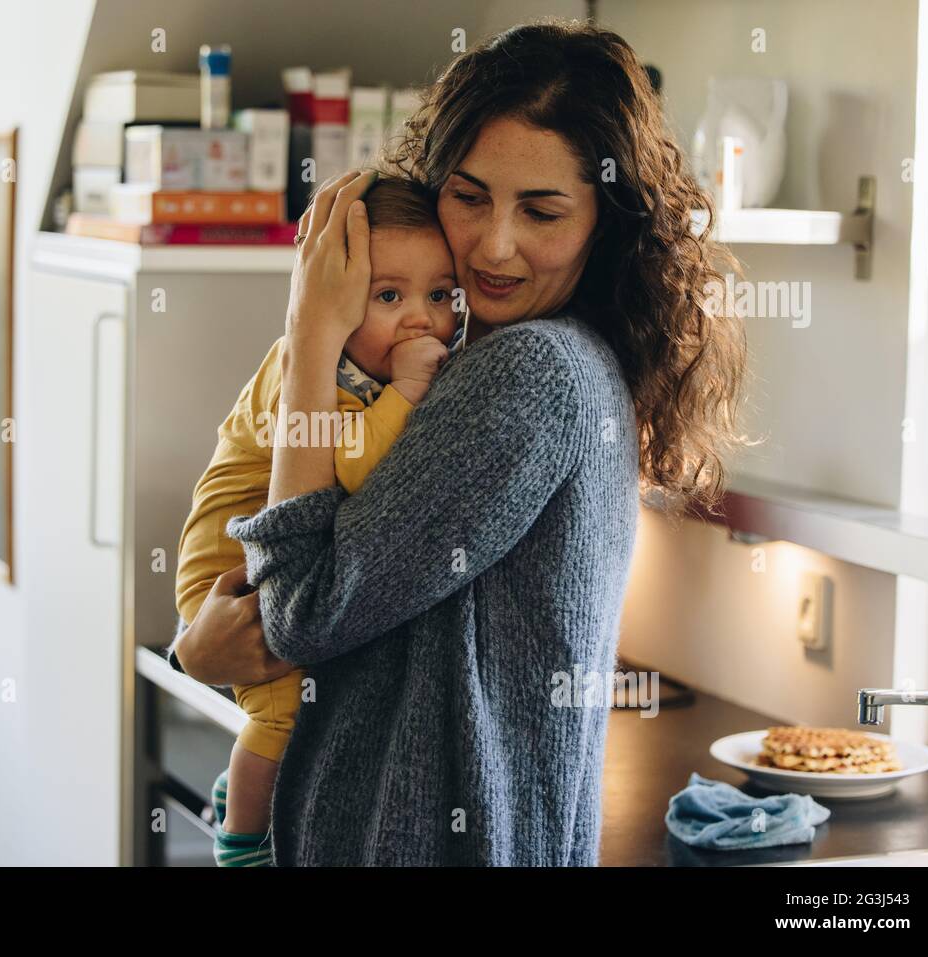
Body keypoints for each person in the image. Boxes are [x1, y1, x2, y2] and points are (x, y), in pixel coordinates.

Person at [169, 20, 749, 865]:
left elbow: (297, 608)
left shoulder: (530, 372)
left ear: (605, 221)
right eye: (469, 196)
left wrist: (311, 334)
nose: (493, 243)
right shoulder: (514, 355)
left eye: (541, 210)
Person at [174, 175, 463, 865]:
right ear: (331, 300)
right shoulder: (303, 369)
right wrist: (410, 391)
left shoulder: (365, 373)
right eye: (388, 296)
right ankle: (243, 844)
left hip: (264, 559)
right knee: (279, 715)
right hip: (226, 568)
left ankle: (246, 796)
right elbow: (351, 470)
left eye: (440, 294)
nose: (421, 318)